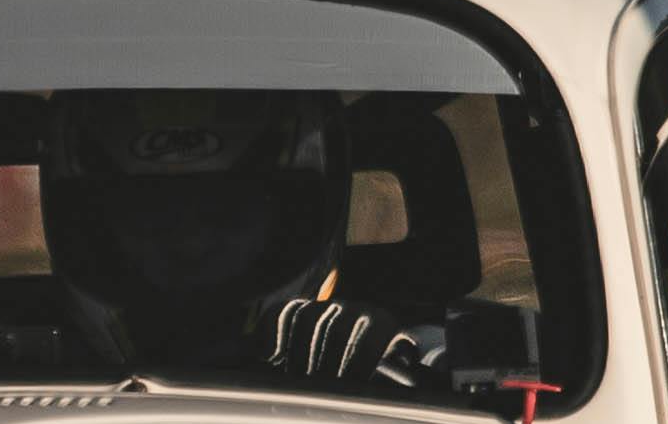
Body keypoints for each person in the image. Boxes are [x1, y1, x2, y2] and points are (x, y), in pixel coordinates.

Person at [40, 89, 427, 388]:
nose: (189, 242)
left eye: (223, 213)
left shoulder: (363, 357)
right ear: (97, 231)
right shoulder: (32, 378)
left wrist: (380, 380)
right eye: (152, 214)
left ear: (290, 225)